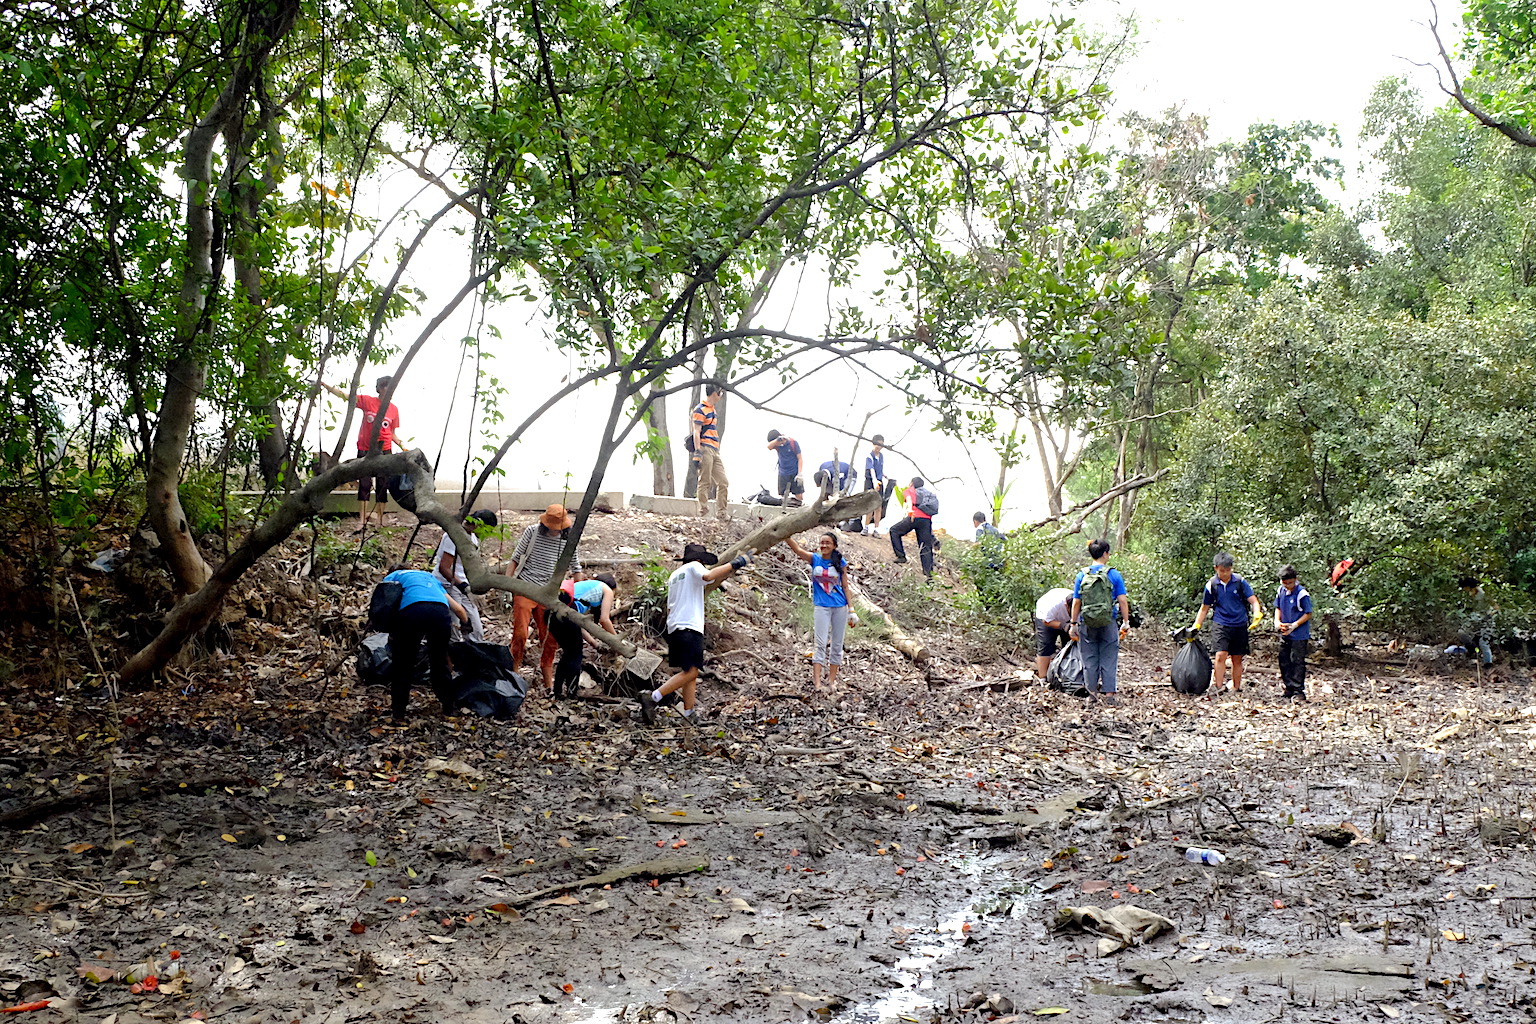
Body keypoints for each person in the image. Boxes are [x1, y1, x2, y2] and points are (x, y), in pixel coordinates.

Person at [638, 543, 752, 722]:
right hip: (689, 625)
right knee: (691, 672)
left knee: (689, 671)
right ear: (699, 560)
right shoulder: (694, 566)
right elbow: (708, 576)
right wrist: (737, 563)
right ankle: (653, 697)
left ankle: (689, 713)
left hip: (675, 626)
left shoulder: (675, 575)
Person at [504, 504, 582, 692]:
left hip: (549, 593)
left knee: (550, 638)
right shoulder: (532, 532)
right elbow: (515, 559)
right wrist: (507, 585)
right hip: (525, 587)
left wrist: (577, 596)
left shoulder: (568, 540)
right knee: (521, 633)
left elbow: (576, 569)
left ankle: (548, 680)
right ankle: (514, 673)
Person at [381, 568, 468, 721]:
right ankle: (449, 708)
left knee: (403, 664)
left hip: (413, 612)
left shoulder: (393, 576)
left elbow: (384, 603)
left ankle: (398, 713)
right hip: (440, 613)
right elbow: (459, 609)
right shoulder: (430, 578)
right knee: (439, 661)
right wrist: (467, 623)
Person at [320, 376, 402, 532]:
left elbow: (392, 433)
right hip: (365, 449)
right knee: (364, 484)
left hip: (385, 450)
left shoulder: (394, 409)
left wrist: (403, 446)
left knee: (382, 485)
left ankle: (380, 520)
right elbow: (346, 396)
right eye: (387, 387)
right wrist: (326, 386)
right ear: (380, 389)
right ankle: (362, 520)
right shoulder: (367, 401)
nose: (390, 390)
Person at [1068, 540, 1130, 706]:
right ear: (1105, 554)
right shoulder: (1114, 574)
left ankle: (1092, 694)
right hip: (1108, 621)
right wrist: (1126, 622)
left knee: (1089, 659)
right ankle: (1109, 695)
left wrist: (1073, 624)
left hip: (1087, 622)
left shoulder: (1082, 575)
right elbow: (1122, 601)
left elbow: (1076, 602)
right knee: (1109, 657)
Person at [785, 532, 851, 688]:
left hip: (840, 606)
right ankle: (817, 683)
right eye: (822, 542)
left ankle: (832, 681)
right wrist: (785, 535)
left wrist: (852, 609)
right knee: (820, 643)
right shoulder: (815, 559)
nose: (824, 545)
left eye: (828, 543)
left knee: (837, 644)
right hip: (821, 606)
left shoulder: (840, 562)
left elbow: (845, 586)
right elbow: (798, 550)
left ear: (834, 546)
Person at [1192, 552, 1263, 693]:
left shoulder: (1239, 582)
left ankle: (1236, 687)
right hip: (1221, 623)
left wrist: (1257, 613)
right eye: (1222, 570)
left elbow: (1253, 600)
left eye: (1228, 570)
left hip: (1239, 623)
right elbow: (1204, 607)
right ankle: (1218, 687)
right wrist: (1197, 625)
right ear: (1216, 568)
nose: (1225, 573)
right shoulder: (1212, 585)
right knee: (1220, 655)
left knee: (1237, 658)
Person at [549, 573, 619, 699]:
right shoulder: (607, 589)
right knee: (576, 655)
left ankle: (558, 691)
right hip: (566, 613)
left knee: (568, 653)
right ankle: (572, 693)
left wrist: (594, 643)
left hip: (551, 614)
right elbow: (604, 620)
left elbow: (578, 624)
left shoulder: (585, 590)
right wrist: (617, 641)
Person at [432, 509, 497, 642]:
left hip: (463, 586)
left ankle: (472, 651)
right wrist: (462, 586)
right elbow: (444, 568)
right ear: (479, 525)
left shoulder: (473, 538)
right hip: (448, 585)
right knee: (454, 630)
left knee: (476, 631)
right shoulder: (453, 536)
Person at [1274, 565, 1312, 701]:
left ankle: (1298, 690)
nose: (1287, 586)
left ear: (1295, 580)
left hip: (1299, 634)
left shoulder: (1302, 594)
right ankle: (1288, 687)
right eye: (1285, 583)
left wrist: (1295, 625)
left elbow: (1308, 613)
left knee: (1297, 661)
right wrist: (1277, 621)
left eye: (1290, 583)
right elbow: (1278, 607)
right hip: (1285, 632)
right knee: (1284, 660)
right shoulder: (1281, 590)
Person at [692, 383, 729, 520]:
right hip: (705, 448)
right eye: (719, 393)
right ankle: (703, 510)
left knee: (723, 482)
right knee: (705, 481)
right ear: (714, 393)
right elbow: (696, 431)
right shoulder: (700, 409)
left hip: (714, 449)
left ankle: (722, 512)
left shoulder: (712, 410)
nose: (720, 395)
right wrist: (698, 451)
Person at [889, 476, 937, 577]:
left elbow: (909, 499)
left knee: (894, 531)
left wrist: (910, 510)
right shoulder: (929, 493)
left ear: (912, 483)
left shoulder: (910, 490)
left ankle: (901, 556)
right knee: (925, 547)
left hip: (914, 517)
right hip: (926, 520)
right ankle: (929, 574)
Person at [1033, 586, 1073, 679]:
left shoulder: (1081, 604)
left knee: (1070, 646)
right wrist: (1063, 626)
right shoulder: (1053, 606)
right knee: (1046, 645)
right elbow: (1046, 621)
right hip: (1046, 619)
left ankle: (1068, 674)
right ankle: (1043, 677)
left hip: (1069, 621)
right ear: (1066, 605)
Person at [1457, 576, 1496, 666]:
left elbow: (1495, 607)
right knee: (1462, 633)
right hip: (1475, 620)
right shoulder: (1471, 595)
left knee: (1483, 643)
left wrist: (1489, 615)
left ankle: (1488, 663)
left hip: (1486, 621)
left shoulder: (1483, 594)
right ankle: (1472, 649)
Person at [863, 434, 893, 534]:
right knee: (870, 505)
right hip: (870, 481)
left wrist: (885, 475)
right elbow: (871, 469)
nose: (879, 447)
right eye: (878, 444)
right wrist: (874, 481)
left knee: (879, 506)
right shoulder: (869, 456)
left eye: (881, 445)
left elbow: (879, 468)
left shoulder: (881, 456)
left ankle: (876, 528)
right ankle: (866, 527)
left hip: (879, 481)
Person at [766, 430, 804, 507]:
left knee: (799, 495)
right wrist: (777, 440)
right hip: (783, 473)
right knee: (783, 496)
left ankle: (799, 508)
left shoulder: (793, 443)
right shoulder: (777, 445)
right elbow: (769, 447)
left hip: (794, 472)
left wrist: (800, 473)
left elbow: (800, 458)